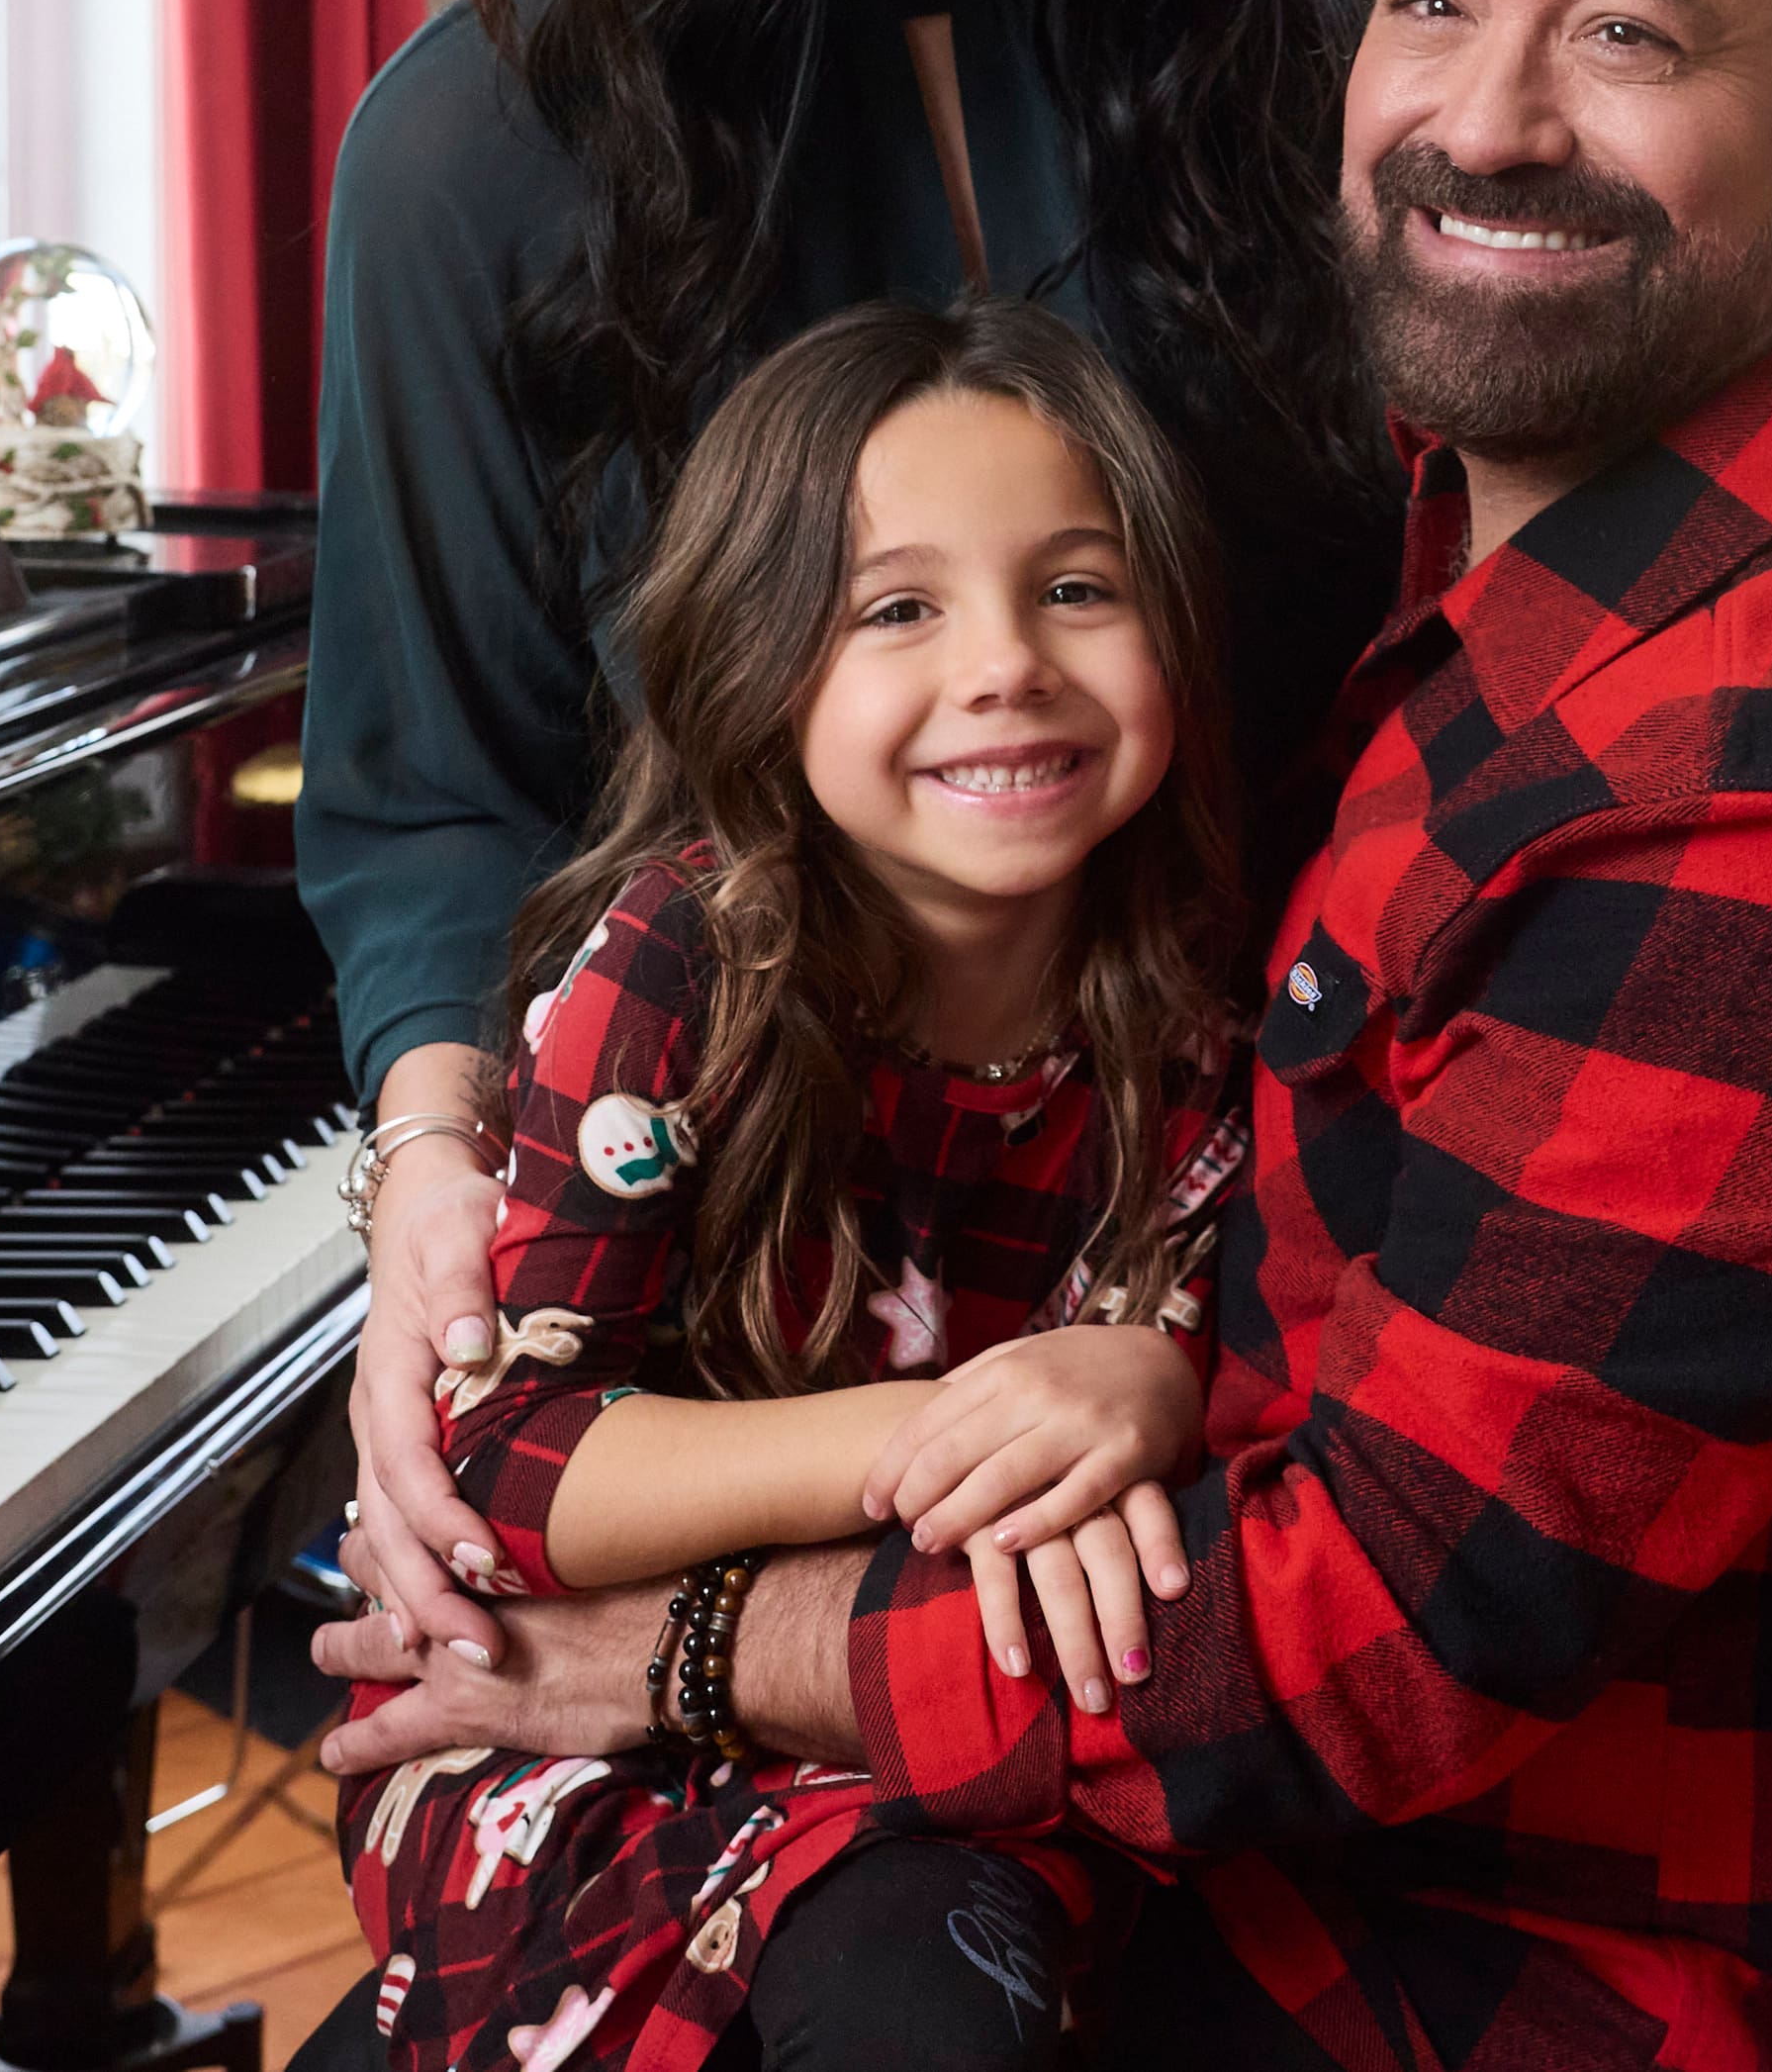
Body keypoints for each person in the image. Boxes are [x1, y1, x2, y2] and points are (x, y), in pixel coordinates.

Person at [315, 0, 1772, 2070]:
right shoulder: (1501, 535)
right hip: (1263, 1858)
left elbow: (1369, 1648)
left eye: (1627, 31)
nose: (1488, 115)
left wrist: (669, 1654)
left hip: (1550, 1981)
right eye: (1429, 2)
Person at [299, 0, 1397, 1674]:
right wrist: (437, 1181)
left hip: (1254, 1314)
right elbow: (430, 791)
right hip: (726, 1343)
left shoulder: (1344, 61)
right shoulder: (473, 146)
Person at [333, 296, 1249, 2072]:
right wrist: (952, 1427)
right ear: (760, 663)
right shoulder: (680, 959)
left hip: (926, 1724)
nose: (1006, 665)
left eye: (1076, 587)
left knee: (941, 1996)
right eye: (897, 608)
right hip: (569, 1729)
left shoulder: (1200, 1008)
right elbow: (510, 1466)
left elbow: (1172, 1424)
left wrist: (1156, 1379)